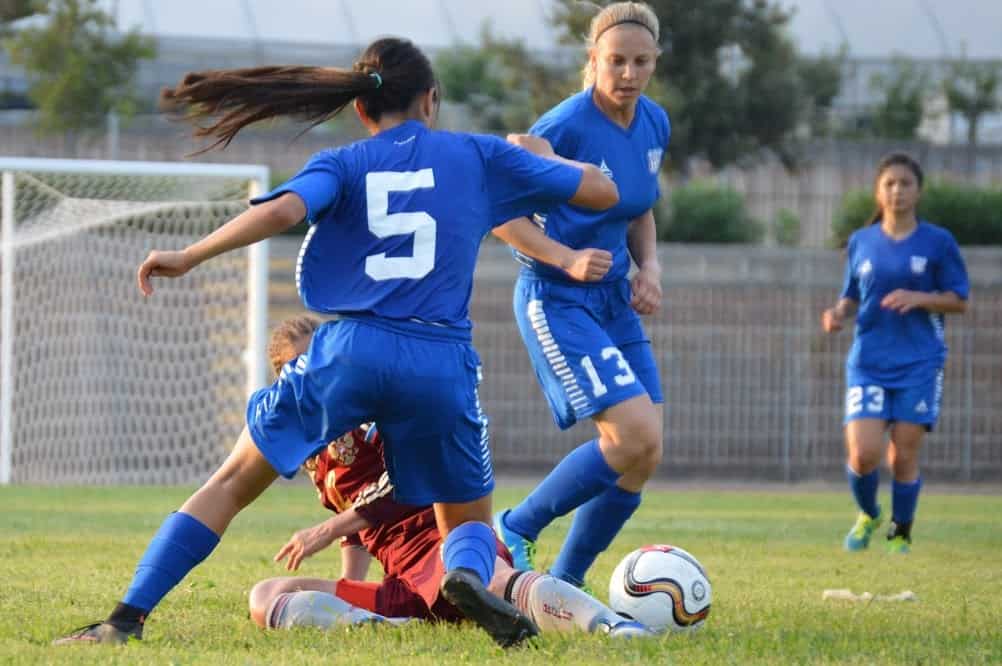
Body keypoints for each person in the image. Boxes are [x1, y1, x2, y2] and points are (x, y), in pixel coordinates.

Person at [54, 36, 618, 648]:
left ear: (360, 109)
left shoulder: (345, 162)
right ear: (432, 100)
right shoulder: (478, 155)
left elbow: (280, 212)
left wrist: (188, 254)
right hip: (439, 356)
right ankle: (463, 576)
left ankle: (125, 618)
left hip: (349, 347)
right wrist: (542, 156)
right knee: (469, 518)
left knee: (228, 485)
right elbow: (600, 192)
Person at [246, 316, 652, 638]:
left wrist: (327, 529)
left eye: (315, 359)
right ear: (284, 379)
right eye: (298, 367)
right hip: (405, 581)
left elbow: (408, 479)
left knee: (493, 580)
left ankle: (613, 627)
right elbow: (358, 530)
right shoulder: (314, 452)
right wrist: (347, 587)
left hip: (442, 543)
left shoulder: (365, 409)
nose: (313, 373)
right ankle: (382, 626)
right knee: (266, 596)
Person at [493, 2, 669, 589]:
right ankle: (514, 527)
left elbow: (638, 205)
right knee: (632, 435)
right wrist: (565, 258)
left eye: (640, 61)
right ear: (593, 60)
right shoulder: (560, 128)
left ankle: (566, 580)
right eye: (615, 60)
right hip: (557, 299)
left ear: (654, 63)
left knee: (643, 454)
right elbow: (503, 218)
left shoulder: (654, 123)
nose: (628, 72)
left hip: (614, 300)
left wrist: (650, 269)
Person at [821, 152, 969, 554]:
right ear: (878, 190)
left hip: (920, 363)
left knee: (902, 456)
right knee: (863, 453)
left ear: (918, 191)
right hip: (868, 362)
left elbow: (959, 300)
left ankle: (901, 531)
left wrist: (919, 297)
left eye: (905, 183)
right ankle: (869, 513)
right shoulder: (861, 241)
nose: (897, 191)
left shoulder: (938, 242)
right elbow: (851, 295)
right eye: (889, 183)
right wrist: (837, 314)